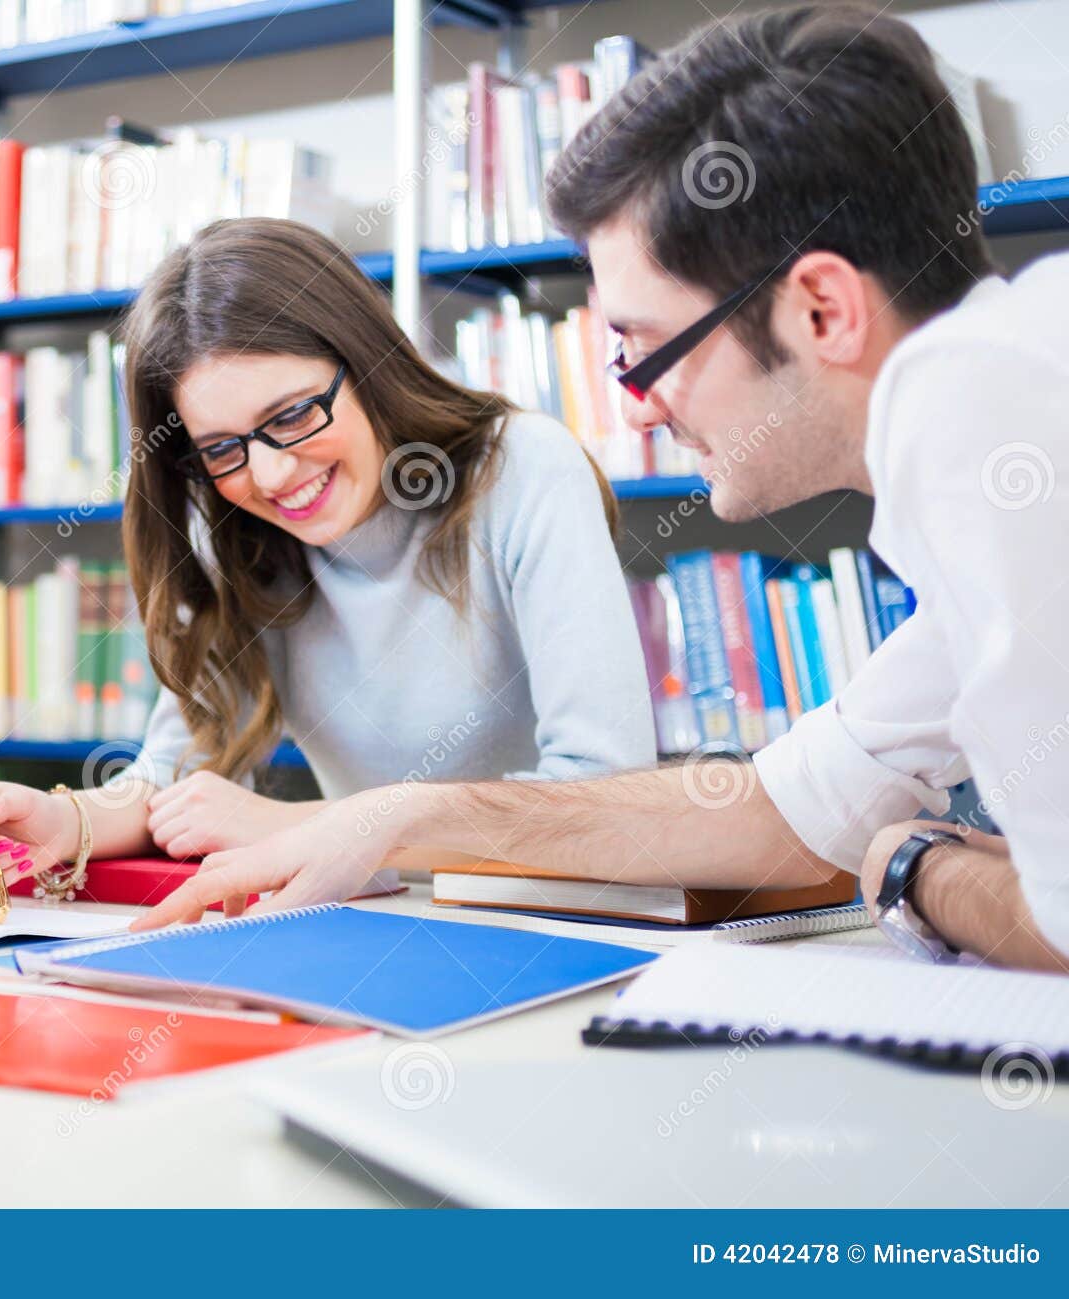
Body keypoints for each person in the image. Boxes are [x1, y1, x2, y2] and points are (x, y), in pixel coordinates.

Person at [136, 5, 1069, 973]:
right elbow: (785, 814)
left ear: (822, 309)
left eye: (641, 347)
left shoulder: (1001, 432)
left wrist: (917, 871)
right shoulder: (980, 428)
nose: (635, 411)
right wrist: (390, 817)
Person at [0, 217, 656, 893]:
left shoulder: (525, 468)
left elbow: (604, 797)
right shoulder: (237, 527)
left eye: (290, 416)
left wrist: (297, 825)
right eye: (222, 449)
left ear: (367, 359)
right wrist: (67, 820)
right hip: (379, 918)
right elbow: (179, 776)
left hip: (565, 922)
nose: (273, 476)